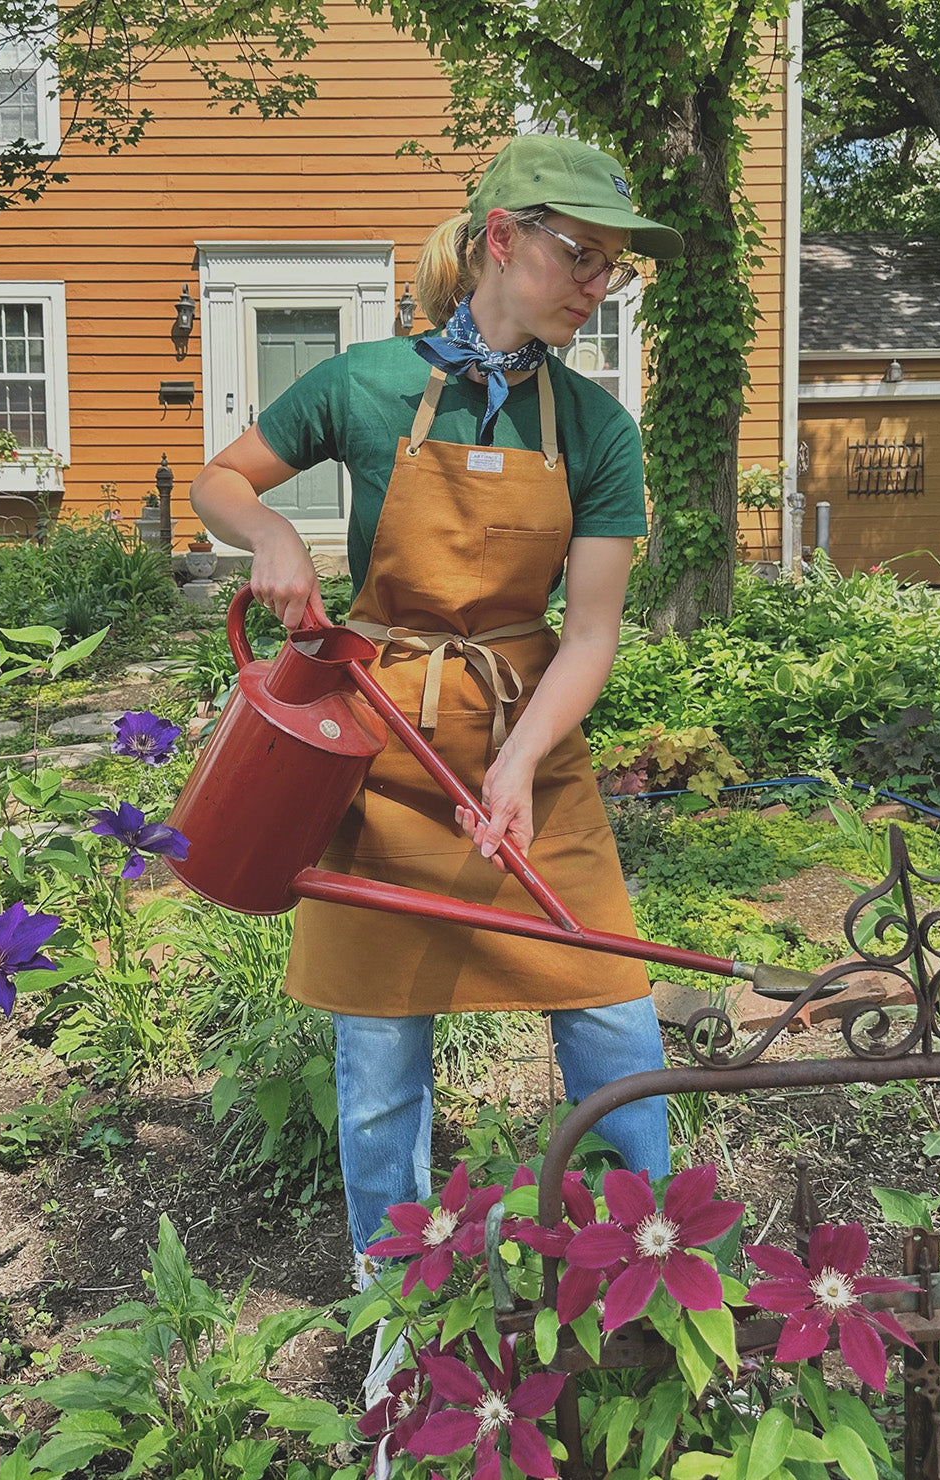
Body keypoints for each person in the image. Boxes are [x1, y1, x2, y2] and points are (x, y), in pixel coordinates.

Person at [190, 133, 681, 1286]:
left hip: (527, 745)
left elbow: (592, 632)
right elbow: (223, 480)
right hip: (377, 749)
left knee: (611, 1011)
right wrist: (268, 535)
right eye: (583, 257)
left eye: (614, 267)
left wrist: (516, 766)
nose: (597, 287)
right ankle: (397, 1307)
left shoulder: (600, 430)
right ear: (500, 242)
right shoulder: (364, 384)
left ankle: (651, 1268)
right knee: (377, 1059)